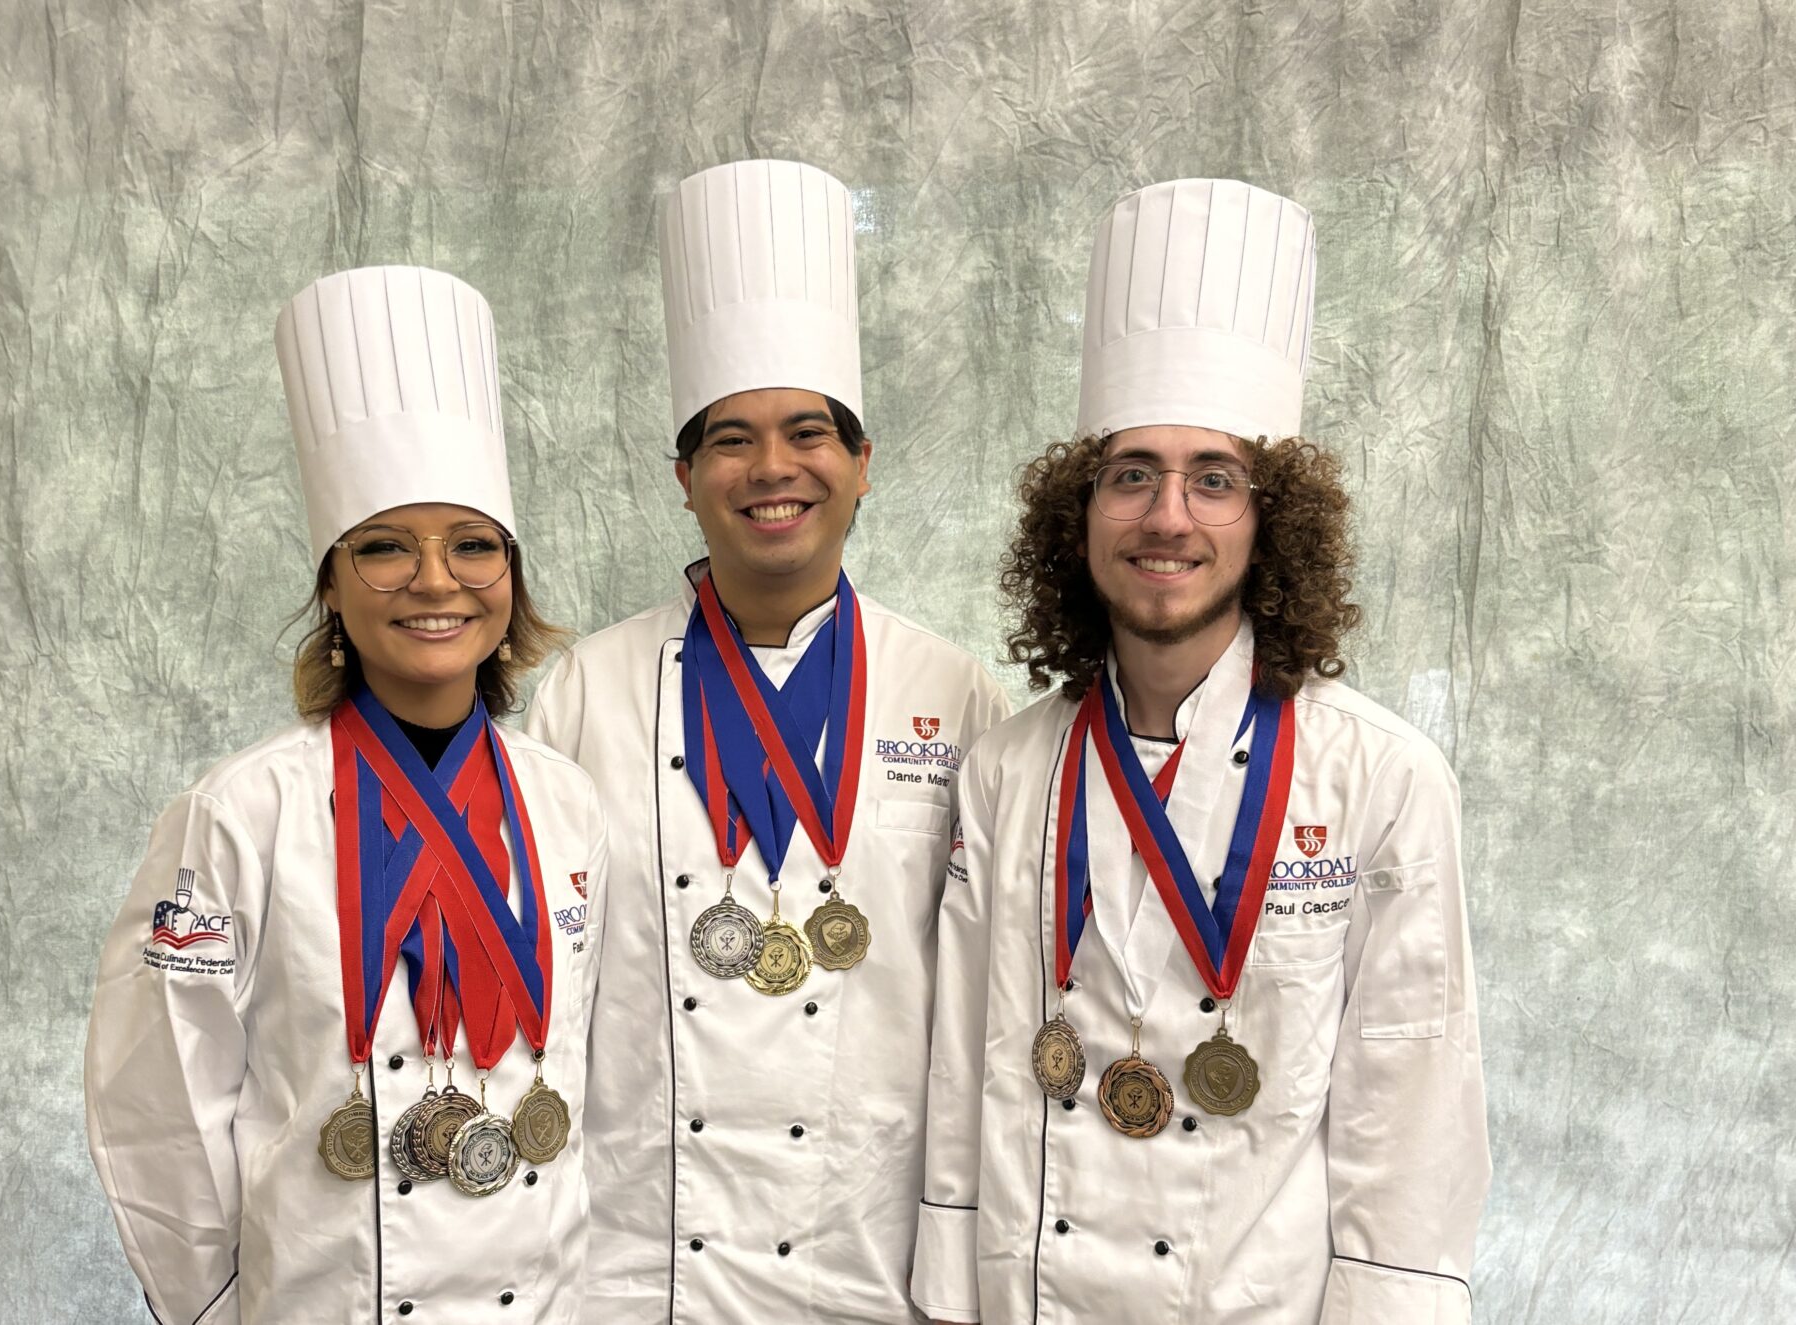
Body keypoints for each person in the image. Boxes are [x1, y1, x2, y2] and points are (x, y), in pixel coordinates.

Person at [913, 179, 1490, 1324]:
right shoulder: (1008, 766)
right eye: (1130, 473)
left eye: (1211, 478)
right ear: (1074, 519)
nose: (1166, 514)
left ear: (1271, 519)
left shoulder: (1378, 776)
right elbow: (962, 1067)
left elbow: (1408, 1101)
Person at [526, 158, 1010, 1323]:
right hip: (639, 1263)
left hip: (867, 1246)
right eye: (731, 440)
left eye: (807, 433)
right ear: (685, 477)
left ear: (860, 467)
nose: (771, 468)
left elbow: (982, 996)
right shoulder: (582, 689)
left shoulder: (957, 692)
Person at [86, 266, 610, 1324]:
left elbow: (608, 1078)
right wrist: (218, 1306)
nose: (434, 579)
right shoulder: (238, 808)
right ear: (330, 581)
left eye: (471, 544)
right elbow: (158, 1100)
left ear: (509, 578)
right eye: (384, 547)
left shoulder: (567, 803)